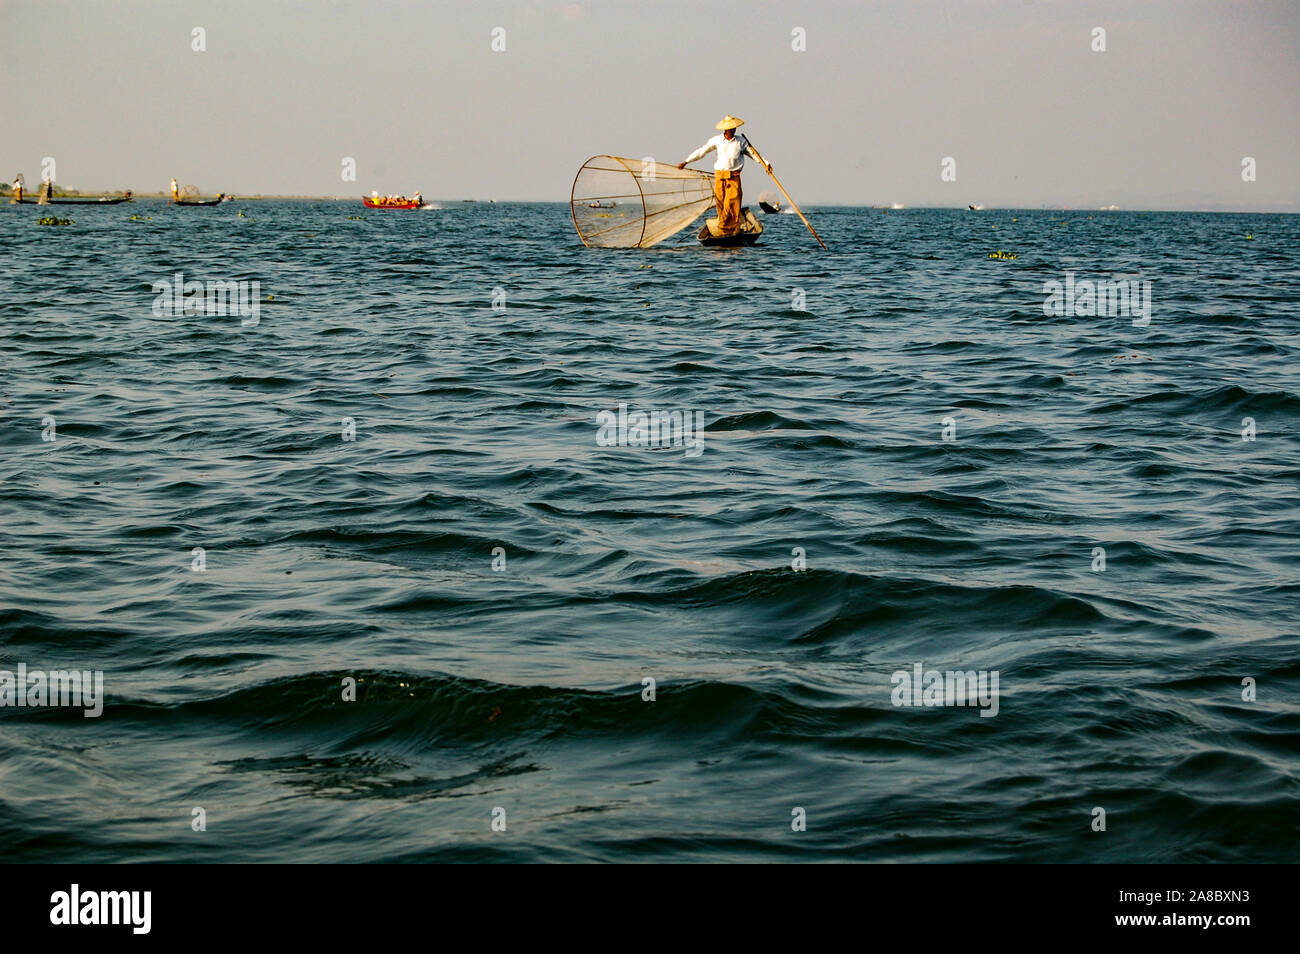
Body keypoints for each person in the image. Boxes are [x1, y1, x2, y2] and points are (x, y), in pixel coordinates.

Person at [677, 115, 770, 235]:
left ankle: (726, 230)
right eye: (730, 128)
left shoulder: (741, 142)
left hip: (734, 177)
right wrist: (686, 161)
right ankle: (725, 229)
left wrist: (765, 164)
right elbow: (702, 151)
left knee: (731, 205)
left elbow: (754, 154)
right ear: (725, 130)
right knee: (721, 205)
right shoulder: (717, 140)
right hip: (720, 177)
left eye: (734, 128)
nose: (733, 130)